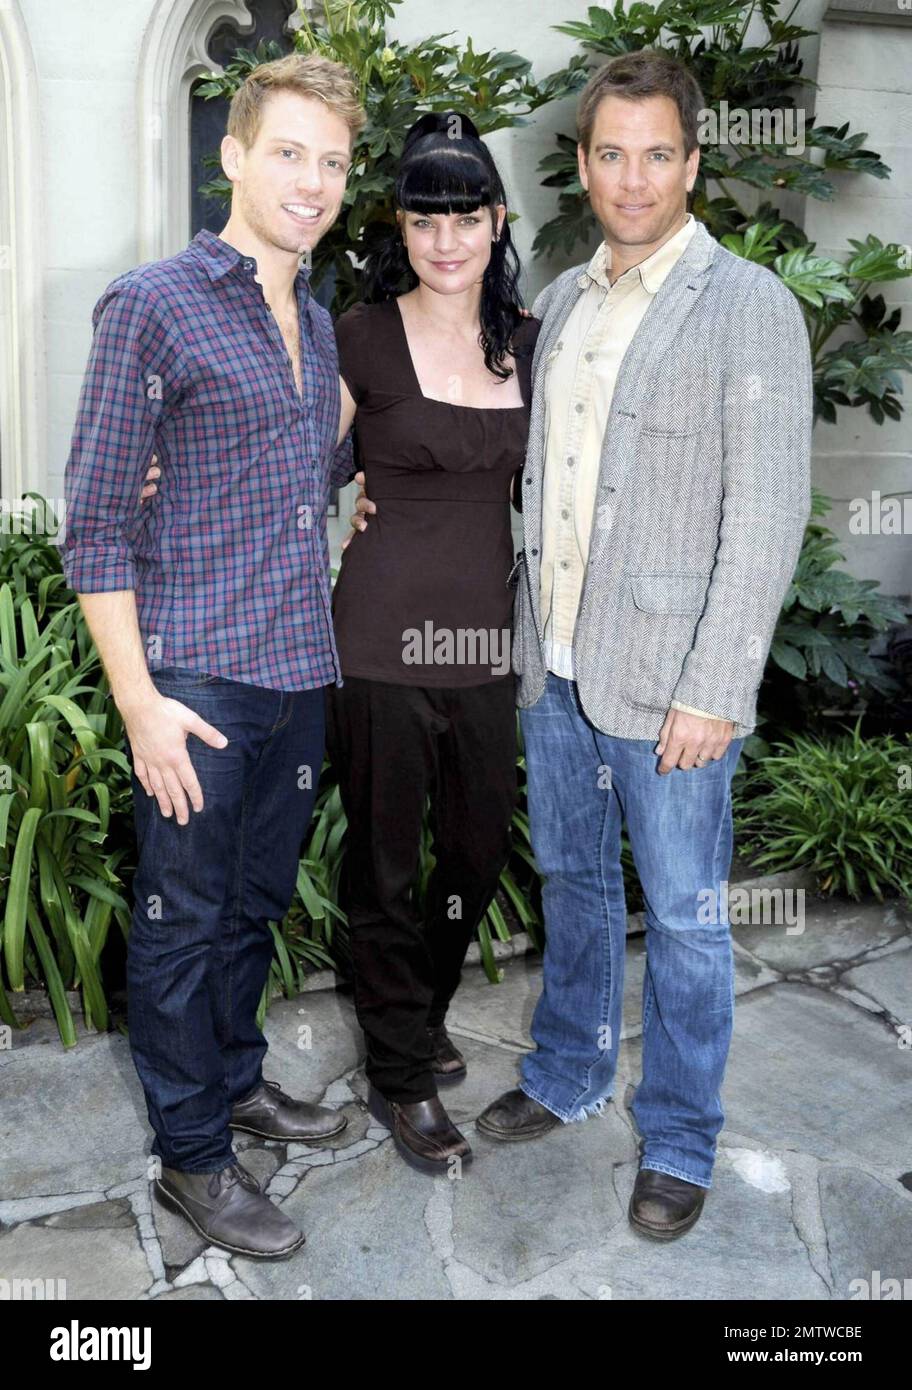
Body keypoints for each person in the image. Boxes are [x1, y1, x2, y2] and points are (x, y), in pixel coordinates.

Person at [355, 50, 813, 1240]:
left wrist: (716, 687)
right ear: (584, 160)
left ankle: (677, 1134)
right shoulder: (551, 305)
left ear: (692, 162)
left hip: (672, 688)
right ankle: (565, 1069)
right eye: (612, 152)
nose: (633, 176)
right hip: (547, 662)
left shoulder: (749, 308)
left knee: (689, 914)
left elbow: (762, 521)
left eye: (657, 152)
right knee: (569, 882)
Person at [62, 54, 366, 1261]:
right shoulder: (154, 302)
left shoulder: (321, 318)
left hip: (297, 668)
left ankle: (235, 1080)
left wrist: (353, 478)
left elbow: (299, 470)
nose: (310, 179)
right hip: (194, 675)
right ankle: (191, 1155)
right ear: (233, 155)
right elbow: (94, 522)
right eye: (287, 150)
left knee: (250, 904)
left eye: (332, 161)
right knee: (183, 919)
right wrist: (137, 702)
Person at [328, 112, 539, 1176]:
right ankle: (401, 1071)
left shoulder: (533, 338)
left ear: (497, 221)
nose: (447, 237)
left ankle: (419, 1008)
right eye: (425, 216)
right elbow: (301, 466)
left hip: (488, 645)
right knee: (384, 863)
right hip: (376, 640)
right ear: (401, 228)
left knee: (473, 851)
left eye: (466, 214)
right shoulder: (359, 334)